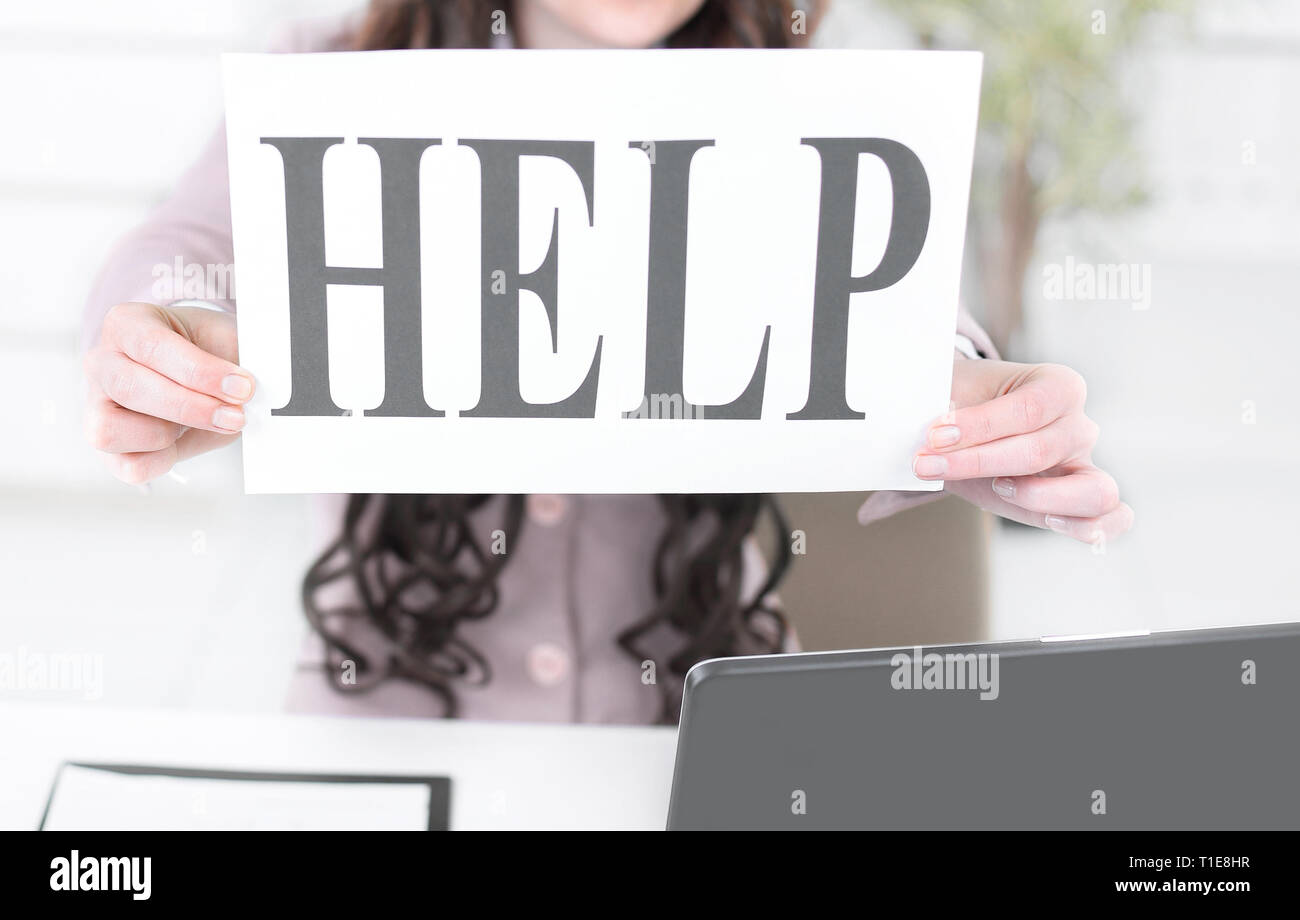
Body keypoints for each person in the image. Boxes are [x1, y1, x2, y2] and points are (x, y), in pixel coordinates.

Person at [80, 0, 1132, 725]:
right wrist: (168, 327)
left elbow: (893, 303)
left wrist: (955, 394)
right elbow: (182, 249)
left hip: (703, 724)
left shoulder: (803, 106)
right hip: (388, 725)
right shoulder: (328, 76)